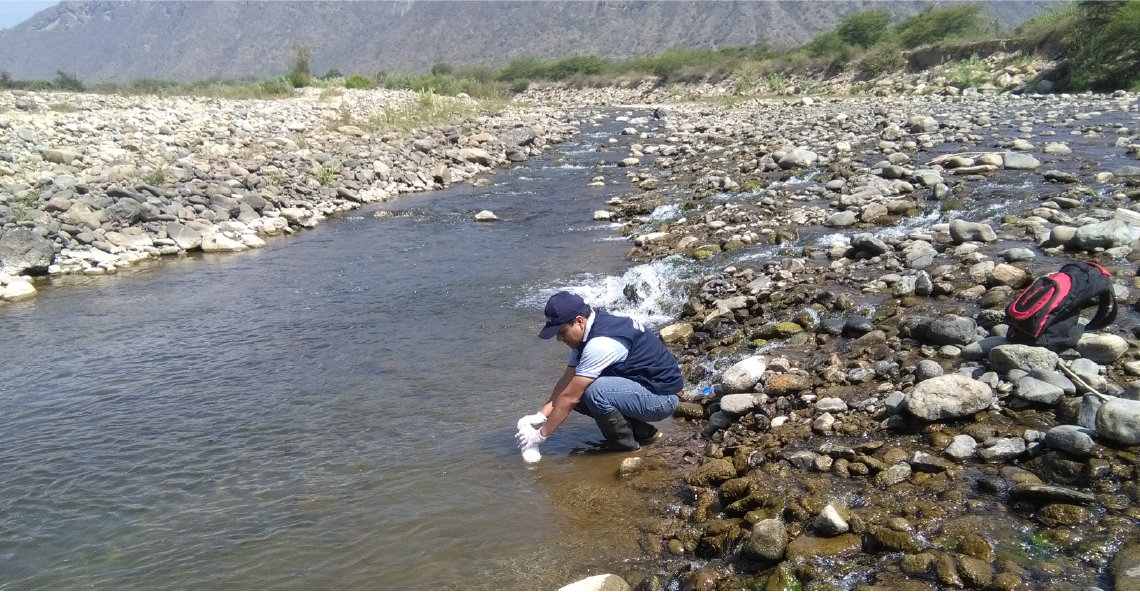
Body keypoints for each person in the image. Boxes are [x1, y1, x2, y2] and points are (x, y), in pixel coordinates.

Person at [515, 291, 683, 453]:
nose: (559, 339)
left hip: (663, 397)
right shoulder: (588, 330)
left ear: (579, 321)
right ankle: (642, 432)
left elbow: (570, 397)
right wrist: (541, 416)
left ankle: (624, 448)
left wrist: (541, 435)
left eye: (561, 332)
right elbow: (567, 380)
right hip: (644, 387)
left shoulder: (599, 344)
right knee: (577, 386)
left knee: (594, 392)